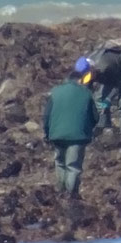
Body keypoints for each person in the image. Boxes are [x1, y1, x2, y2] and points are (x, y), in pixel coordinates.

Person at [44, 65, 100, 199]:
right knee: (73, 166)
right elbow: (95, 117)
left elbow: (46, 116)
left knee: (60, 162)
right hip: (78, 136)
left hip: (56, 135)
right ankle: (71, 194)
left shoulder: (55, 92)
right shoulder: (86, 94)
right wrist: (88, 129)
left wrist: (47, 133)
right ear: (80, 80)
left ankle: (61, 190)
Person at [84, 44, 121, 135]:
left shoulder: (105, 67)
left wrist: (108, 100)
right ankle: (104, 128)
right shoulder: (86, 66)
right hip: (107, 73)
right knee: (99, 99)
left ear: (93, 69)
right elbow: (87, 87)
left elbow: (116, 85)